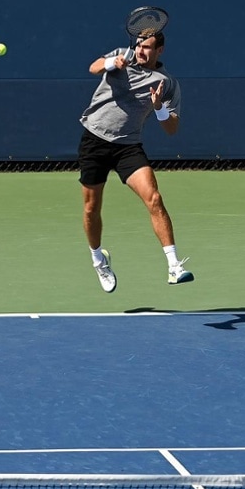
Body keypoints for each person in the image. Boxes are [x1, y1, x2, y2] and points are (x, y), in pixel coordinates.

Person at [78, 32, 190, 293]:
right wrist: (111, 64)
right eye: (139, 45)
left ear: (160, 50)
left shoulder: (167, 83)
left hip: (127, 147)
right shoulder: (123, 55)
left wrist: (159, 107)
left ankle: (174, 266)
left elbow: (172, 128)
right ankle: (98, 259)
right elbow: (93, 67)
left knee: (154, 198)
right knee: (91, 209)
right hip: (94, 140)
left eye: (147, 47)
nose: (141, 51)